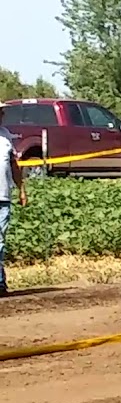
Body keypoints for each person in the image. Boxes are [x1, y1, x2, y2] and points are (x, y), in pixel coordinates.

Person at [0, 105, 28, 297]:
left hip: (3, 197)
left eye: (1, 113)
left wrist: (22, 190)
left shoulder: (6, 136)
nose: (2, 116)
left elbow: (14, 165)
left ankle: (0, 282)